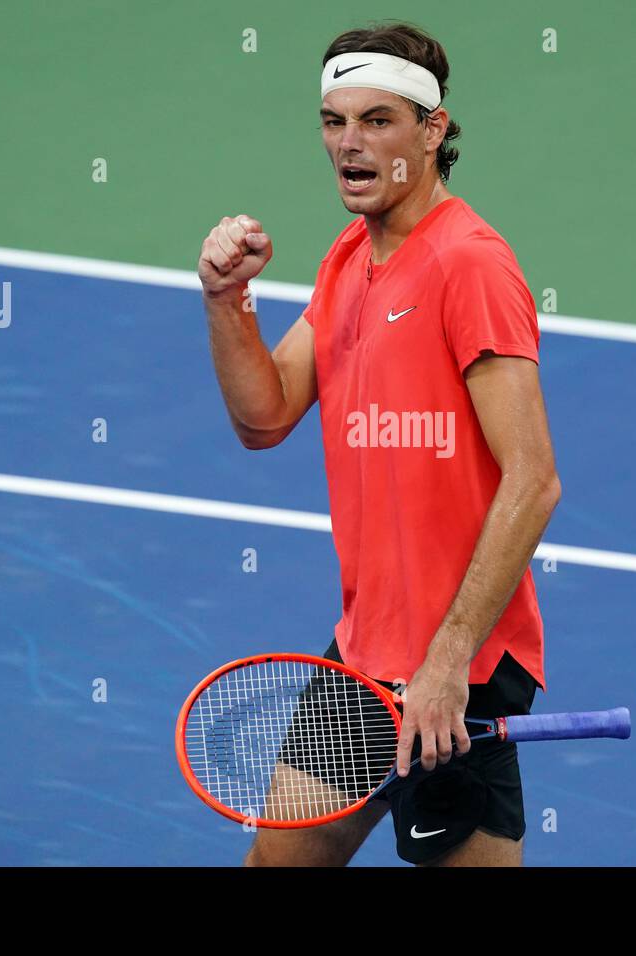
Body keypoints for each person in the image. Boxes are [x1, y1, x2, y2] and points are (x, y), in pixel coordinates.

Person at [198, 21, 561, 867]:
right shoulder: (349, 257)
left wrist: (447, 661)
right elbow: (266, 415)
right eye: (334, 121)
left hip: (456, 669)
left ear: (433, 131)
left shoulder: (471, 265)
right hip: (366, 655)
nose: (348, 145)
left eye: (377, 121)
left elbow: (534, 479)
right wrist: (226, 301)